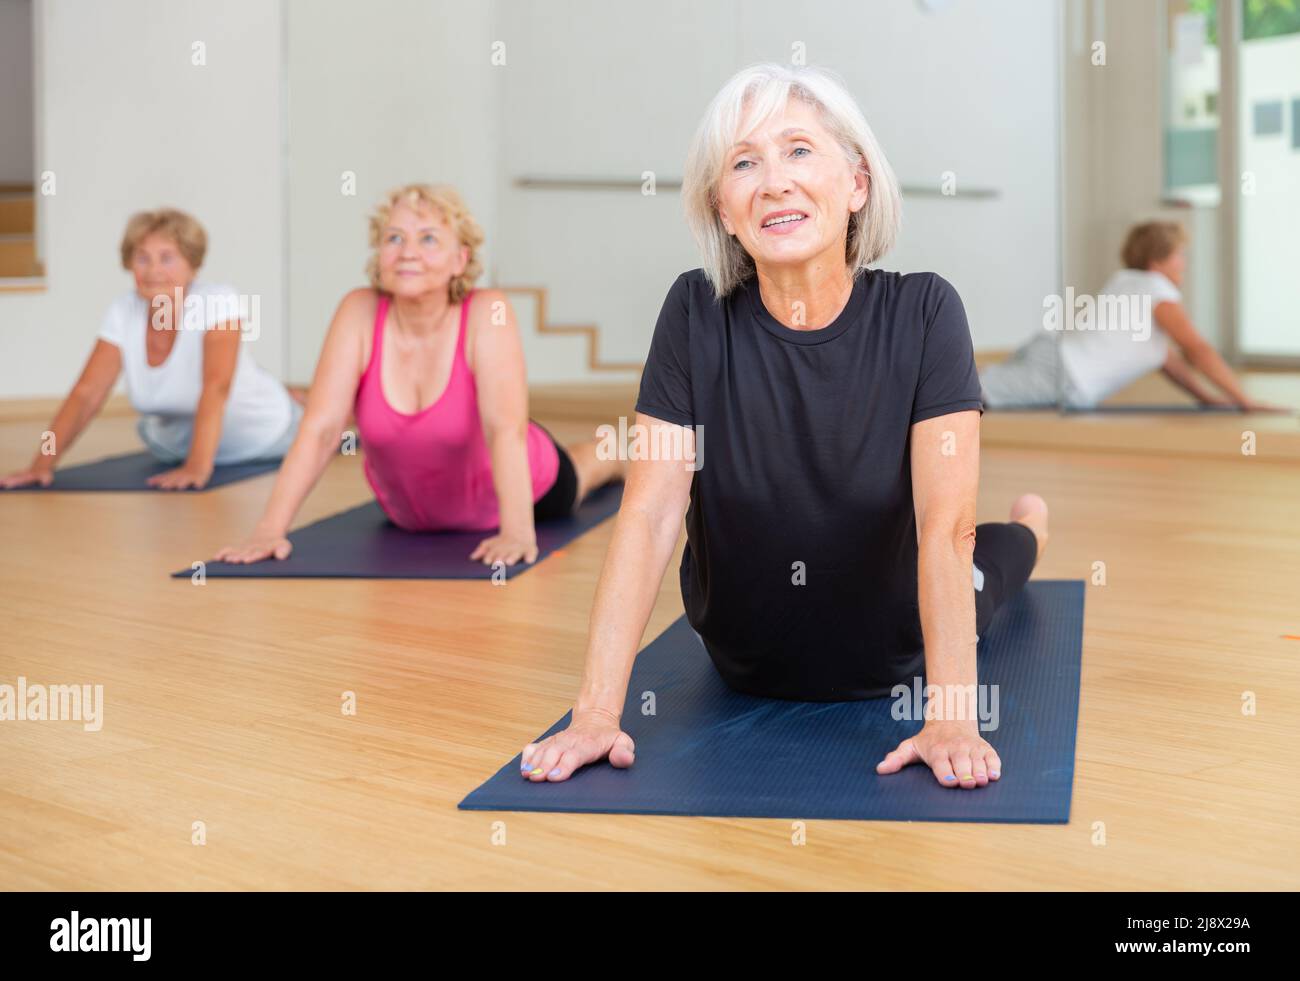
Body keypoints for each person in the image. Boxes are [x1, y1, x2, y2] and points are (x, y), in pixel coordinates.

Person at [518, 63, 1050, 791]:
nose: (774, 181)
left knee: (991, 557)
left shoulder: (926, 312)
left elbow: (945, 525)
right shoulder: (693, 314)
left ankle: (1032, 527)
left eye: (799, 150)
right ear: (724, 209)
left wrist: (953, 715)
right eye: (744, 162)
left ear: (856, 184)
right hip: (746, 658)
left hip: (893, 645)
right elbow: (648, 515)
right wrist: (594, 712)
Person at [214, 183, 625, 569]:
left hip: (523, 490)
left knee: (586, 467)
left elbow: (505, 431)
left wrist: (517, 531)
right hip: (410, 516)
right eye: (394, 238)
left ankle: (616, 452)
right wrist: (268, 530)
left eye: (428, 238)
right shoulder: (358, 312)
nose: (408, 251)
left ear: (460, 259)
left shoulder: (487, 311)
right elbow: (321, 429)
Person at [0, 208, 301, 491]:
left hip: (265, 434)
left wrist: (197, 468)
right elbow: (86, 394)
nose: (153, 270)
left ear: (192, 265)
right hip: (174, 447)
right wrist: (40, 463)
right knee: (146, 426)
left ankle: (306, 403)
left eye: (167, 258)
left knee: (327, 429)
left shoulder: (217, 301)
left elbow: (216, 387)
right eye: (142, 259)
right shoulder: (123, 310)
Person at [979, 221, 1285, 411]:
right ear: (1157, 261)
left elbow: (1167, 359)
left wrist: (1205, 398)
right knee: (965, 395)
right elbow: (1197, 350)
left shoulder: (1127, 280)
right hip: (1062, 374)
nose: (1184, 263)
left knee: (972, 384)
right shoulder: (1156, 289)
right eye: (1178, 255)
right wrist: (1245, 400)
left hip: (1052, 357)